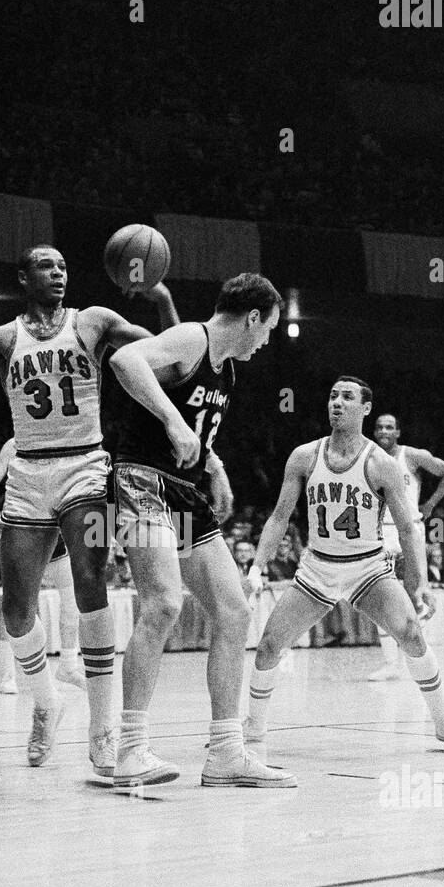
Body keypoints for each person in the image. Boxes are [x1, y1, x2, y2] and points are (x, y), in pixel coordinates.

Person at [0, 246, 176, 774]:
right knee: (16, 611)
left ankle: (103, 729)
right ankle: (46, 704)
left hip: (88, 465)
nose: (59, 273)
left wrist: (164, 302)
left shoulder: (94, 322)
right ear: (23, 277)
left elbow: (170, 357)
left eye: (65, 265)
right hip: (27, 472)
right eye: (46, 266)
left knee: (92, 583)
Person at [110, 272, 294, 788]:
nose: (266, 341)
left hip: (186, 492)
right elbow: (126, 360)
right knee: (163, 603)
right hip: (140, 481)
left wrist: (213, 465)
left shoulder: (225, 369)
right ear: (254, 317)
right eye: (268, 328)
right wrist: (172, 421)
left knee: (234, 610)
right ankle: (130, 749)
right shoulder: (195, 337)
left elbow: (197, 427)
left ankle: (225, 753)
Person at [245, 377, 444, 762]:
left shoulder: (381, 464)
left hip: (368, 566)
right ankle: (252, 726)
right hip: (318, 567)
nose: (337, 402)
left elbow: (408, 527)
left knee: (411, 634)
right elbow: (280, 516)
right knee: (269, 644)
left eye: (347, 397)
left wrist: (419, 583)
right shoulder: (304, 456)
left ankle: (443, 719)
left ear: (365, 409)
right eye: (333, 395)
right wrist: (256, 567)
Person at [0, 437, 87, 694]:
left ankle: (67, 665)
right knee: (17, 607)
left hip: (57, 529)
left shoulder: (62, 438)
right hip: (25, 529)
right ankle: (8, 676)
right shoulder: (13, 445)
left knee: (73, 599)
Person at [367, 412, 444, 681]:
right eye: (380, 427)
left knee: (415, 599)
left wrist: (430, 504)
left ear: (398, 432)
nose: (384, 430)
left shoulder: (412, 456)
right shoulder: (368, 457)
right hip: (378, 535)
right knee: (379, 600)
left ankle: (415, 654)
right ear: (374, 431)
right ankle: (391, 664)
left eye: (389, 427)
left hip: (408, 534)